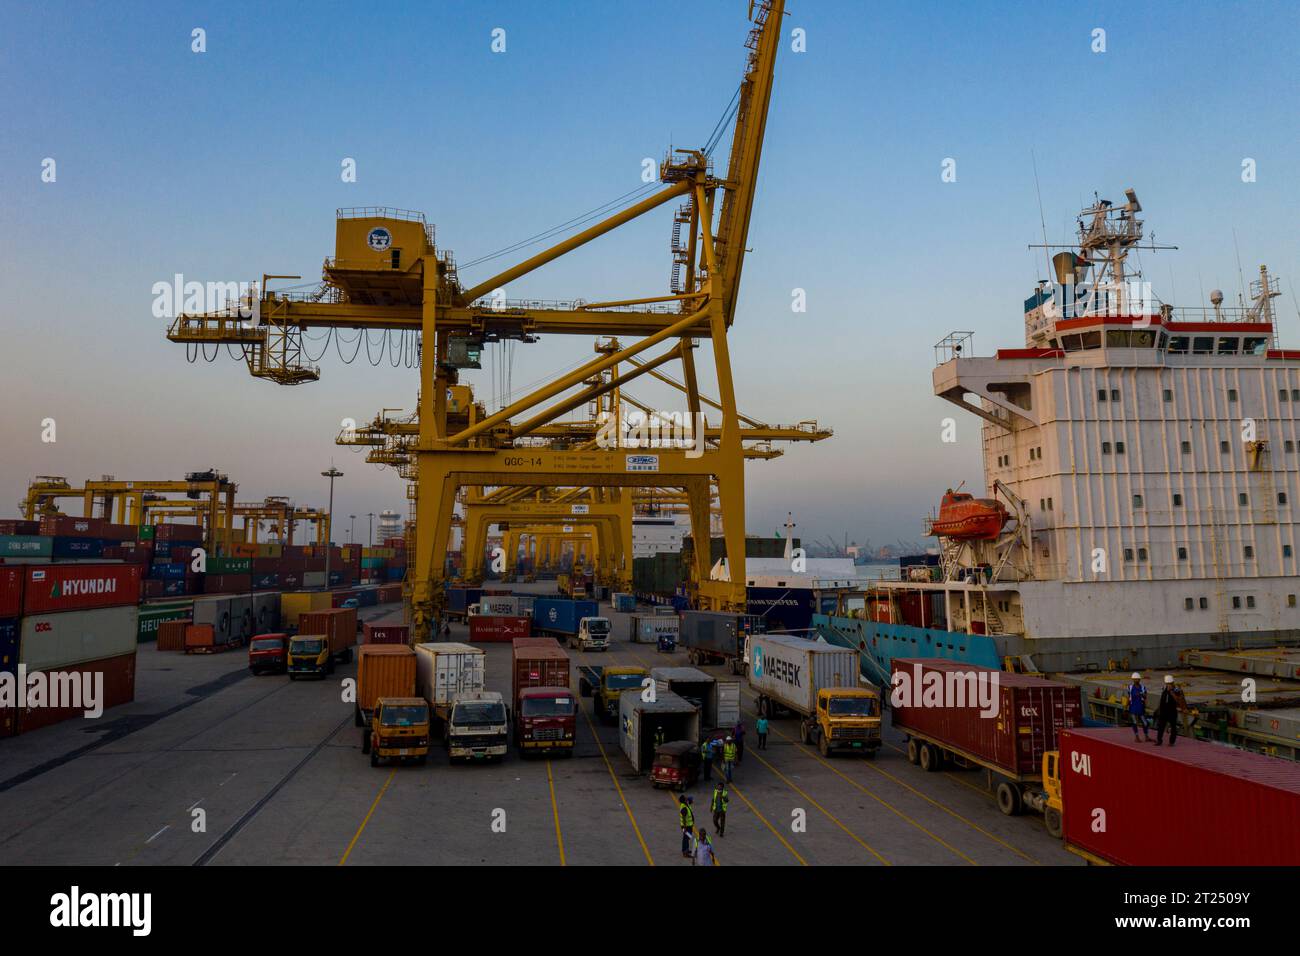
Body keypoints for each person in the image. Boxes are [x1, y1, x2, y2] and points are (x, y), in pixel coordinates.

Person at [1155, 675, 1180, 747]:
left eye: (1169, 683)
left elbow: (1178, 701)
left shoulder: (1177, 690)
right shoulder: (1164, 689)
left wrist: (1171, 692)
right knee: (1161, 726)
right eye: (1167, 683)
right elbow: (1162, 699)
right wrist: (1158, 709)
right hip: (1163, 711)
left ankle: (1172, 742)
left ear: (1172, 683)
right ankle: (1159, 740)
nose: (1168, 685)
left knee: (1173, 727)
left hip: (1172, 711)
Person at [1126, 672, 1150, 741]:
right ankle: (1136, 736)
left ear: (1139, 680)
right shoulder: (1130, 687)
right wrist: (1125, 707)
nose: (1136, 680)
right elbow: (1129, 697)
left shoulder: (1143, 688)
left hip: (1140, 707)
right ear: (1133, 680)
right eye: (1135, 679)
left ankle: (1146, 736)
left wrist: (1142, 695)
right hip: (1133, 707)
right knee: (1135, 722)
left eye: (1137, 679)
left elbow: (1145, 697)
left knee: (1145, 723)